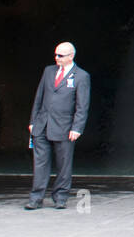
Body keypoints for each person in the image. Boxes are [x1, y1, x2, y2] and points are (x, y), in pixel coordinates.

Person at [25, 42, 91, 210]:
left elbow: (82, 105)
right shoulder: (49, 71)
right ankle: (36, 198)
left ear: (71, 56)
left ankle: (60, 197)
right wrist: (33, 121)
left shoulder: (81, 76)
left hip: (64, 127)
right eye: (55, 54)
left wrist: (77, 128)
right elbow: (39, 97)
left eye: (60, 56)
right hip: (42, 124)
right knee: (40, 163)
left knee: (63, 164)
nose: (56, 58)